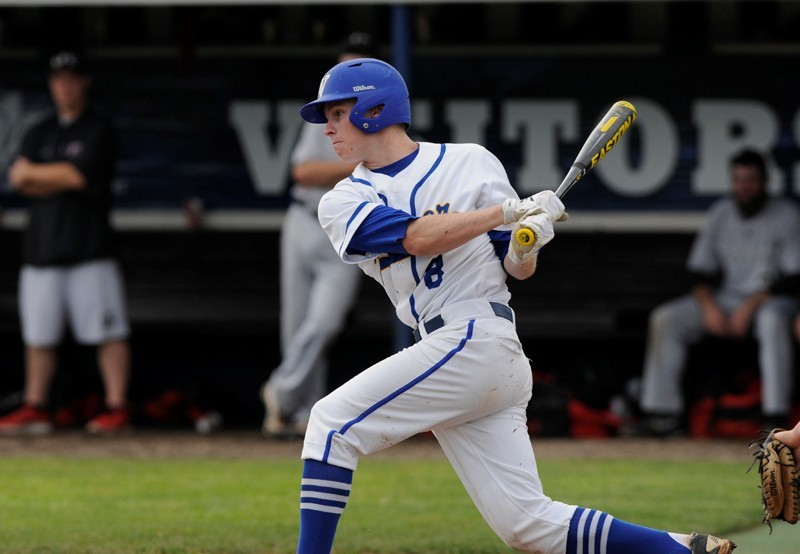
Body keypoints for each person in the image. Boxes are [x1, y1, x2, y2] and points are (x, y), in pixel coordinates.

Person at [290, 57, 736, 553]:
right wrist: (505, 212)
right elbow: (417, 237)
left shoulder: (471, 162)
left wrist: (526, 245)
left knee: (330, 425)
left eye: (337, 113)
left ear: (374, 108)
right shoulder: (343, 199)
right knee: (527, 525)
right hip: (453, 350)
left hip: (477, 338)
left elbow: (515, 268)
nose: (327, 128)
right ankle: (679, 550)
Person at [0, 50, 131, 436]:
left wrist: (45, 176)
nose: (66, 86)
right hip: (42, 251)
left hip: (89, 250)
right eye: (59, 80)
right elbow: (18, 177)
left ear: (84, 82)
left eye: (73, 79)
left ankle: (116, 405)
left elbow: (77, 177)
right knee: (38, 336)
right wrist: (54, 175)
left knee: (107, 331)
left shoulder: (98, 128)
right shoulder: (40, 130)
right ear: (51, 84)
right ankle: (36, 406)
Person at [636, 149, 800, 436]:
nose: (744, 186)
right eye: (739, 179)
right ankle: (661, 413)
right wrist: (709, 306)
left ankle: (774, 413)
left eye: (751, 179)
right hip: (726, 298)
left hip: (771, 301)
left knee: (772, 322)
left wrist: (750, 305)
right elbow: (698, 272)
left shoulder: (786, 214)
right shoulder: (721, 213)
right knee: (667, 318)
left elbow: (792, 277)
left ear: (765, 181)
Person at [260, 32, 375, 439]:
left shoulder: (382, 119)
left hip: (346, 228)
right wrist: (362, 166)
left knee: (324, 323)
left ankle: (282, 392)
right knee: (296, 327)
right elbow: (303, 172)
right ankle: (298, 414)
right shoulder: (330, 112)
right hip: (305, 217)